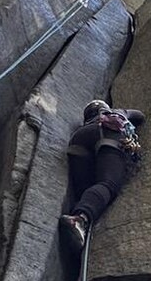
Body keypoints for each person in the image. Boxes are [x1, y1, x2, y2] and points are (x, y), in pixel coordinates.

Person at [59, 99, 145, 253]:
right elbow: (140, 116)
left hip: (79, 139)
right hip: (108, 134)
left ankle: (80, 215)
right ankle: (79, 219)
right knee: (108, 184)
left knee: (85, 191)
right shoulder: (117, 112)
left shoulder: (87, 123)